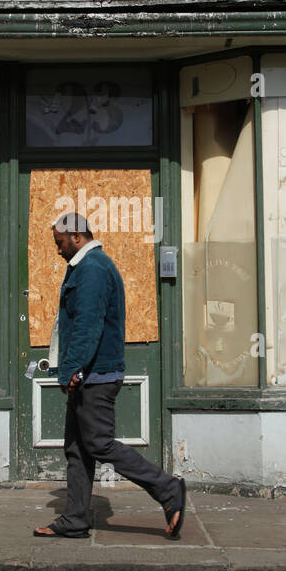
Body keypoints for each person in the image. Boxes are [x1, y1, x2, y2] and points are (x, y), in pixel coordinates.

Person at [34, 212, 186, 540]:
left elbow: (88, 325)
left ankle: (169, 490)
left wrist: (71, 369)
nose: (57, 250)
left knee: (99, 444)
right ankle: (74, 519)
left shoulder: (92, 269)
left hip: (95, 376)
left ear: (76, 236)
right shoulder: (90, 266)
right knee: (77, 448)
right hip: (90, 374)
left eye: (59, 243)